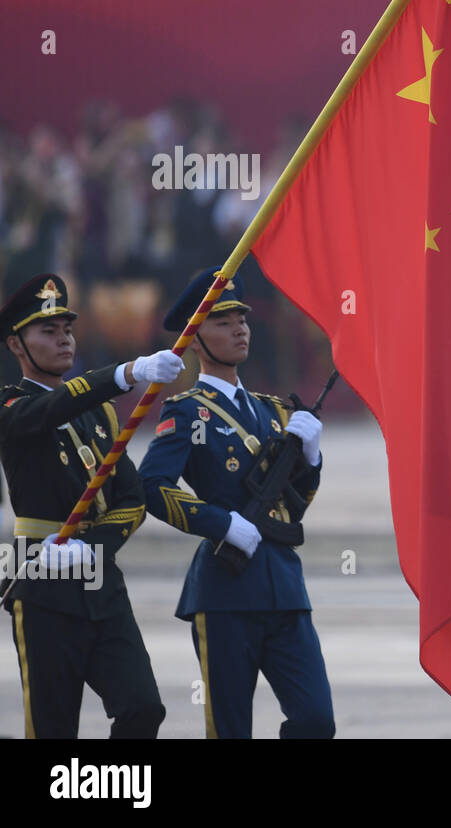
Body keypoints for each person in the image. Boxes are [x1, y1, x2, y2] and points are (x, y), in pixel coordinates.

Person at [139, 267, 333, 738]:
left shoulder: (275, 411)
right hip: (225, 591)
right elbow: (151, 486)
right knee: (229, 730)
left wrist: (311, 459)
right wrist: (219, 523)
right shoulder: (186, 411)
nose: (240, 328)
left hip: (284, 588)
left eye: (241, 319)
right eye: (223, 321)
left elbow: (294, 507)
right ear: (196, 337)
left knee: (315, 721)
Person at [0, 272, 183, 738]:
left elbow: (131, 497)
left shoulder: (98, 412)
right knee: (53, 727)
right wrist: (126, 374)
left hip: (98, 577)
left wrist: (94, 547)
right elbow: (49, 411)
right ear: (16, 346)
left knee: (143, 706)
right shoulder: (12, 407)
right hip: (40, 576)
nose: (63, 340)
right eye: (48, 332)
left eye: (67, 330)